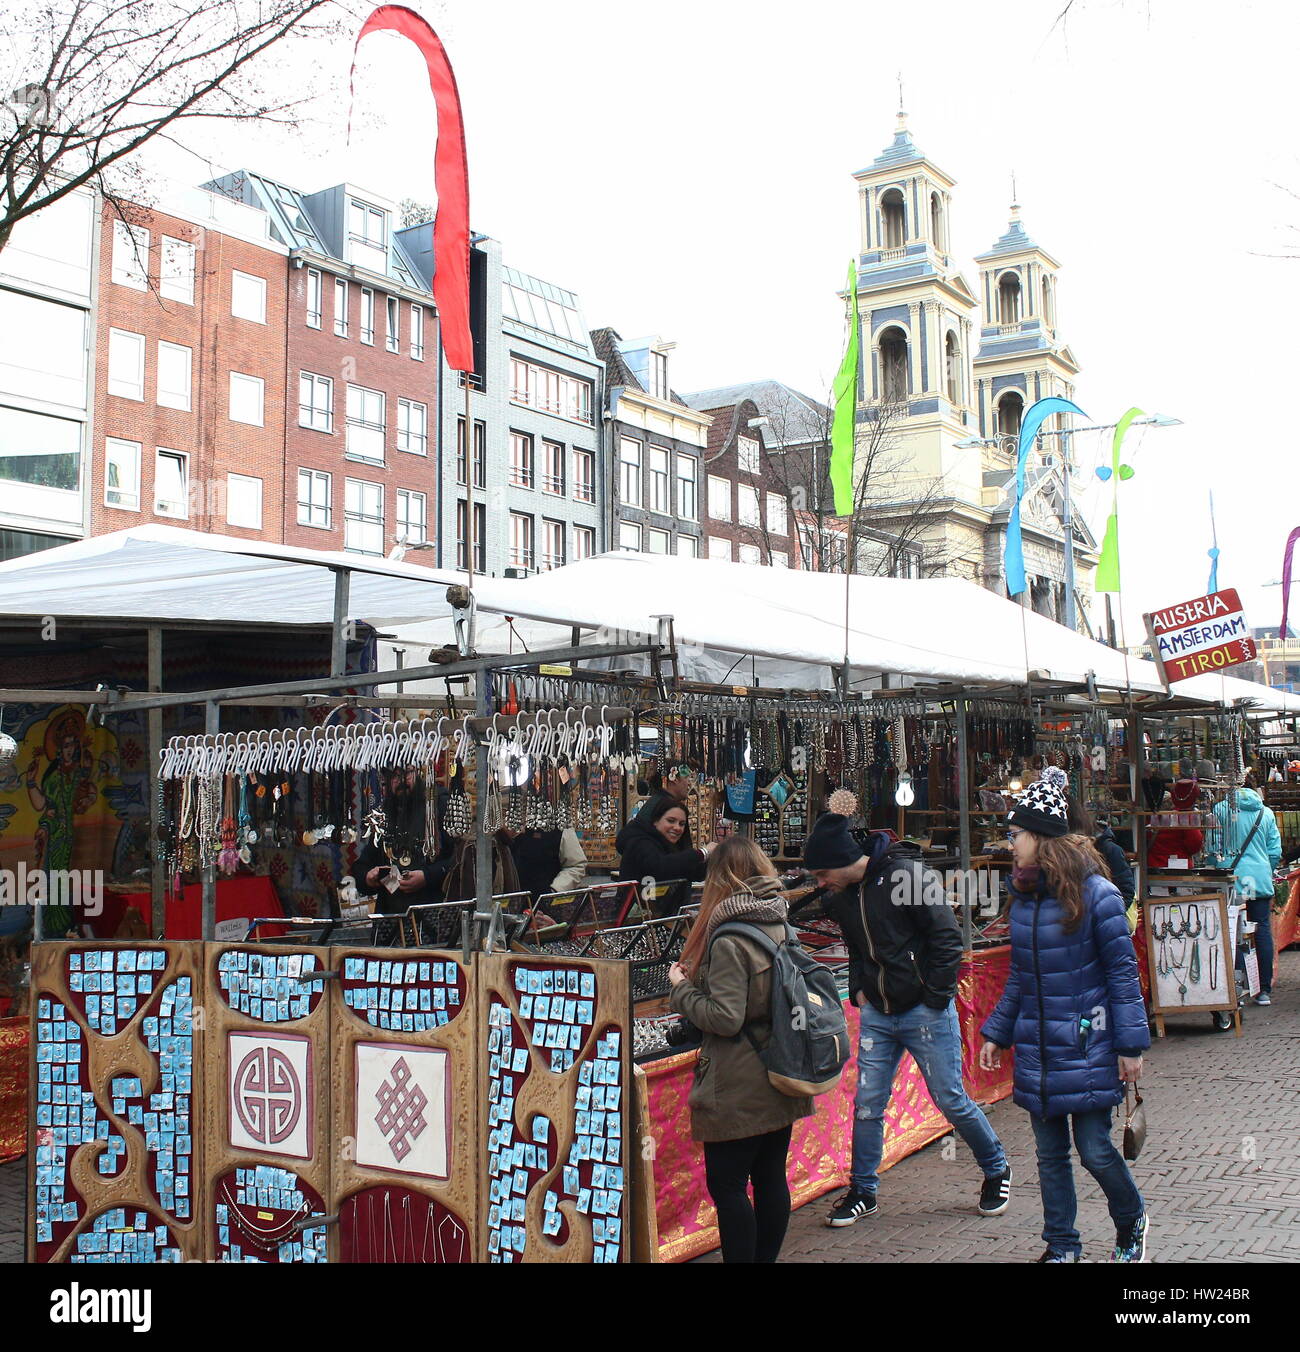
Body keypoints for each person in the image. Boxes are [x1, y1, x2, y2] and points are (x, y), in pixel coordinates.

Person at [804, 812, 1011, 1227]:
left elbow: (947, 937)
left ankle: (996, 1167)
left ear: (843, 860)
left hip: (923, 1011)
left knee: (950, 1097)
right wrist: (863, 989)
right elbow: (858, 948)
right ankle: (863, 1190)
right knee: (867, 1104)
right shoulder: (842, 896)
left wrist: (933, 997)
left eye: (823, 873)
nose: (820, 882)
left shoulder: (904, 876)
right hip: (879, 1012)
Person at [979, 775, 1150, 1263]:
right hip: (1038, 1048)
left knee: (1095, 1149)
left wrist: (1130, 1046)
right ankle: (1061, 1246)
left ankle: (1131, 1217)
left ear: (1040, 838)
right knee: (1050, 1156)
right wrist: (997, 1031)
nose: (1009, 844)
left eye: (1016, 835)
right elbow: (1020, 978)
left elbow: (1123, 974)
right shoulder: (1025, 900)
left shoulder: (1099, 895)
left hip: (1087, 1044)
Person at [666, 835, 812, 1263]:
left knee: (728, 1186)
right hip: (781, 1066)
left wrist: (681, 991)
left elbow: (725, 1017)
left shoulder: (729, 938)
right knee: (769, 1178)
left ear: (721, 879)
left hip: (740, 1080)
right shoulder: (779, 921)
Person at [1211, 778, 1283, 1005]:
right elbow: (1275, 850)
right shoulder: (1266, 813)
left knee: (1234, 930)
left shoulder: (1220, 810)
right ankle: (1263, 989)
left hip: (1232, 878)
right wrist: (1265, 869)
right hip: (1259, 879)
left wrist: (1217, 866)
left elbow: (1214, 847)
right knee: (1260, 928)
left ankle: (1239, 987)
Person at [352, 767, 444, 914]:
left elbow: (457, 860)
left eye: (407, 773)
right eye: (394, 776)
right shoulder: (386, 814)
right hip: (392, 916)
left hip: (434, 911)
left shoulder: (437, 805)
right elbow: (363, 865)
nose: (401, 781)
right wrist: (369, 877)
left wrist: (428, 876)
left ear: (417, 773)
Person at [616, 797, 711, 911]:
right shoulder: (640, 842)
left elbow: (692, 871)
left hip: (665, 916)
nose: (677, 828)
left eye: (681, 824)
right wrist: (703, 853)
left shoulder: (673, 846)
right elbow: (660, 866)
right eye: (671, 821)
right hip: (635, 918)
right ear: (656, 821)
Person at [616, 763, 696, 853]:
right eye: (686, 778)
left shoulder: (659, 801)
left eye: (681, 824)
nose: (689, 783)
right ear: (674, 779)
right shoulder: (667, 807)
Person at [508, 826, 588, 902]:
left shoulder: (560, 826)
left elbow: (576, 865)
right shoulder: (500, 824)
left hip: (543, 906)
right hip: (504, 905)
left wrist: (554, 890)